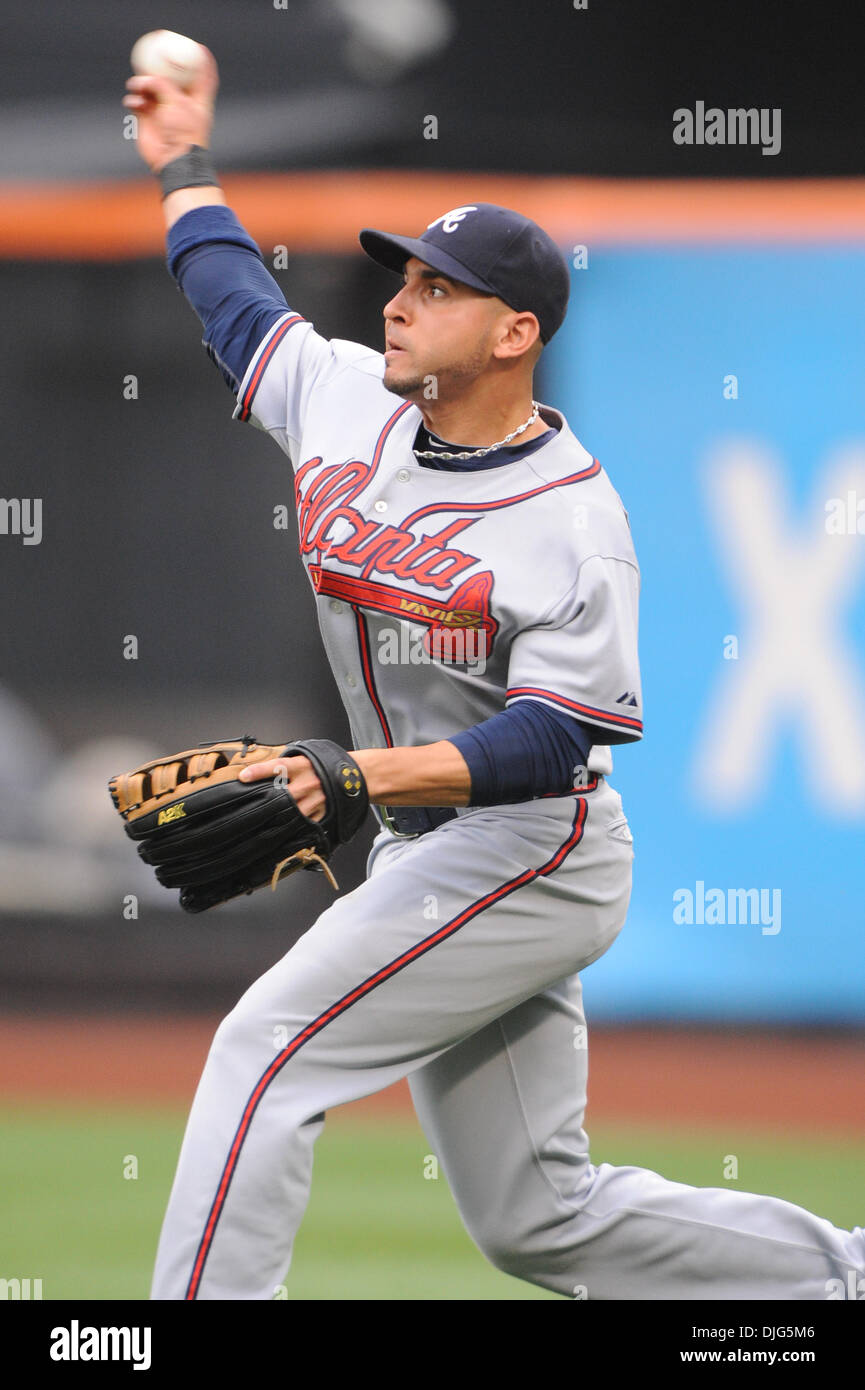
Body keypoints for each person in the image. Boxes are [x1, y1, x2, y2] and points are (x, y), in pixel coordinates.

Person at [123, 50, 865, 1301]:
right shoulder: (346, 394)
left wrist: (352, 776)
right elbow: (232, 297)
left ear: (515, 332)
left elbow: (549, 740)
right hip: (423, 839)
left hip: (533, 849)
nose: (398, 303)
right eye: (401, 277)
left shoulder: (573, 518)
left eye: (437, 288)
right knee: (539, 1218)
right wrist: (182, 161)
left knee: (263, 1048)